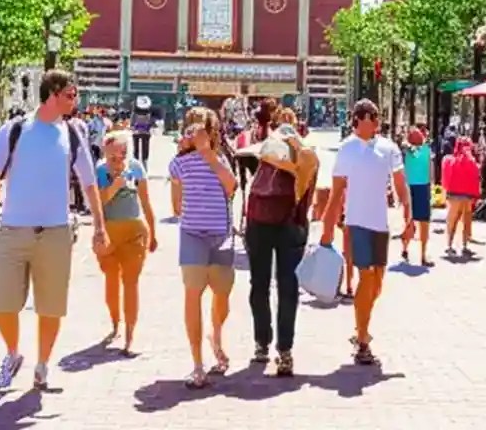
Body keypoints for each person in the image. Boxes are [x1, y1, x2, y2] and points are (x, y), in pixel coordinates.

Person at [0, 69, 104, 392]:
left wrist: (100, 224)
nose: (76, 100)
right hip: (13, 231)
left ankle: (43, 365)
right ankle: (13, 353)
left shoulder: (72, 134)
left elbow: (88, 182)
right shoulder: (15, 130)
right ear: (53, 93)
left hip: (55, 232)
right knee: (3, 303)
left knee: (51, 305)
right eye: (71, 95)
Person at [321, 99, 414, 366]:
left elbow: (400, 182)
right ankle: (362, 340)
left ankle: (360, 327)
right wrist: (327, 229)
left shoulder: (388, 148)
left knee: (377, 283)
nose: (377, 122)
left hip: (380, 225)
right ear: (360, 119)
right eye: (373, 117)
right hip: (356, 222)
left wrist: (409, 212)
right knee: (366, 275)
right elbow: (336, 191)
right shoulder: (346, 149)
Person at [244, 107, 318, 376]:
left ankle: (282, 348)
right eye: (281, 123)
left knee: (284, 287)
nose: (285, 128)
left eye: (290, 123)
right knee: (263, 285)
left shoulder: (307, 153)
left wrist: (291, 151)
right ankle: (264, 343)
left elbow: (304, 176)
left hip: (286, 224)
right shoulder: (260, 148)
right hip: (269, 223)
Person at [168, 106, 238, 389]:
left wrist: (207, 155)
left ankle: (216, 335)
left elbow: (231, 186)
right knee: (193, 294)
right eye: (191, 130)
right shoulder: (179, 163)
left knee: (222, 293)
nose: (196, 135)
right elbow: (175, 205)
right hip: (193, 235)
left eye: (202, 130)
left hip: (220, 235)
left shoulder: (220, 158)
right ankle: (197, 364)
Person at [94, 130, 157, 355]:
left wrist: (153, 229)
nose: (118, 160)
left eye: (122, 154)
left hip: (134, 231)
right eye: (113, 156)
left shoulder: (136, 168)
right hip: (109, 231)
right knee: (111, 280)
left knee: (131, 282)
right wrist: (115, 185)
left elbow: (146, 202)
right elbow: (98, 203)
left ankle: (130, 336)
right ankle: (115, 324)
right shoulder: (100, 170)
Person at [400, 127, 434, 266]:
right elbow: (431, 170)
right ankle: (423, 255)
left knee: (410, 222)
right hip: (423, 188)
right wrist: (432, 185)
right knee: (424, 223)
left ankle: (405, 247)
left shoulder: (406, 152)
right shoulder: (427, 151)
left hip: (409, 188)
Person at [442, 136, 481, 255]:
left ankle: (450, 245)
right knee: (466, 221)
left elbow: (445, 179)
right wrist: (476, 195)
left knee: (452, 221)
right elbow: (476, 179)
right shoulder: (472, 161)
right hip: (467, 196)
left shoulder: (448, 160)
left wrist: (445, 193)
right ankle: (464, 246)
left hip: (453, 195)